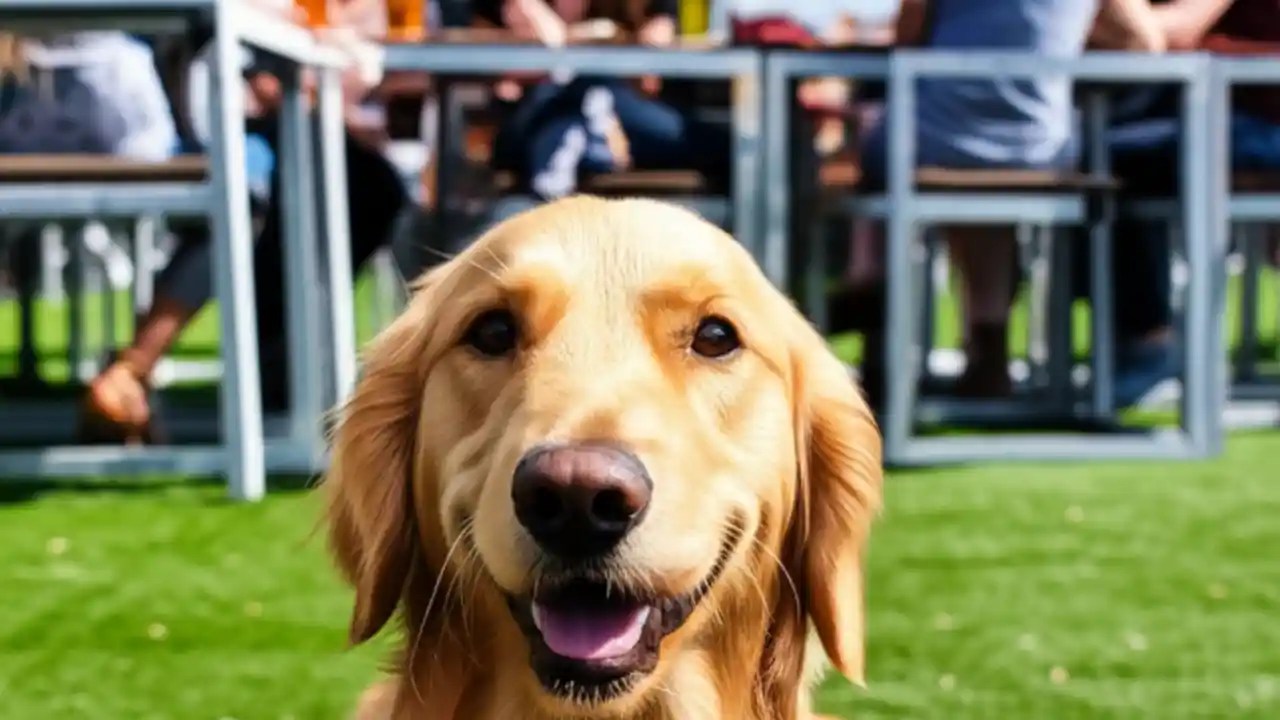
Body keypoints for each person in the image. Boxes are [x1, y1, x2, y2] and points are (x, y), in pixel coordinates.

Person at [80, 0, 409, 443]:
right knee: (248, 191)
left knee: (359, 185)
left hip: (222, 117)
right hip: (202, 121)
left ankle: (146, 370)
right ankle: (138, 369)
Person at [828, 0, 1164, 408]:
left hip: (931, 142)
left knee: (877, 140)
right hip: (1039, 146)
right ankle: (988, 346)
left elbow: (908, 37)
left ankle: (874, 298)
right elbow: (1143, 42)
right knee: (981, 176)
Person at [1099, 0, 1280, 406]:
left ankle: (1149, 340)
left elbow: (1170, 33)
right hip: (1231, 105)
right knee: (1103, 148)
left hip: (1261, 118)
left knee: (1109, 159)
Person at [474, 0, 731, 198]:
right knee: (578, 90)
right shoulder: (509, 7)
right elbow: (498, 83)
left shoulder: (644, 8)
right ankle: (595, 131)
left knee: (592, 86)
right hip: (535, 118)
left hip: (624, 115)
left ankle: (592, 132)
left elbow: (650, 75)